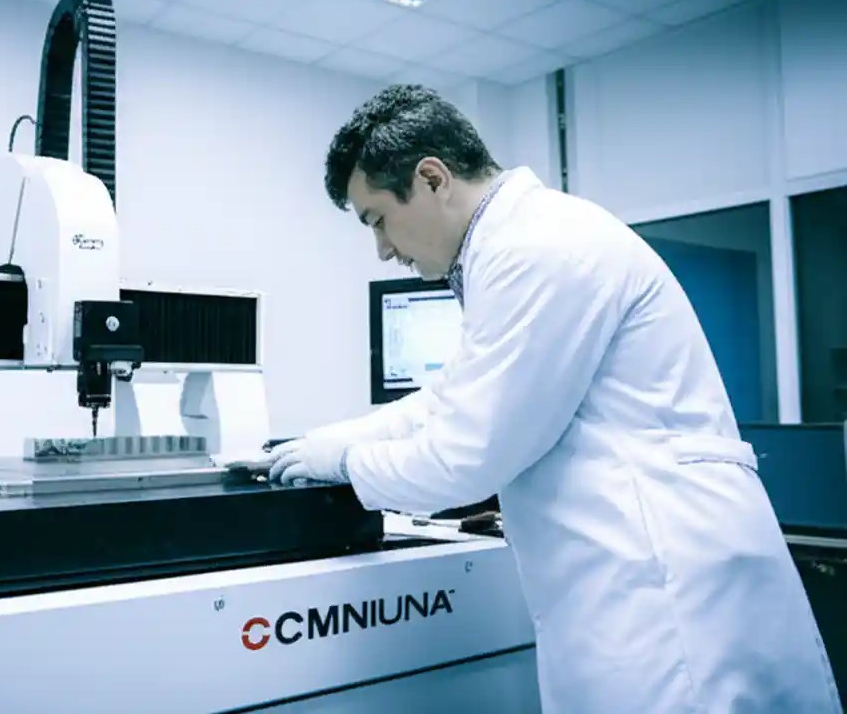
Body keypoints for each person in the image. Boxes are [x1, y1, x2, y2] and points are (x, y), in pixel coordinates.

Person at [262, 84, 841, 713]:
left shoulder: (537, 248)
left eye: (377, 220)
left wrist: (344, 465)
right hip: (640, 573)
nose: (382, 248)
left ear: (431, 179)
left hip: (664, 586)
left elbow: (466, 456)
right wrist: (323, 443)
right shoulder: (515, 245)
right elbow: (448, 399)